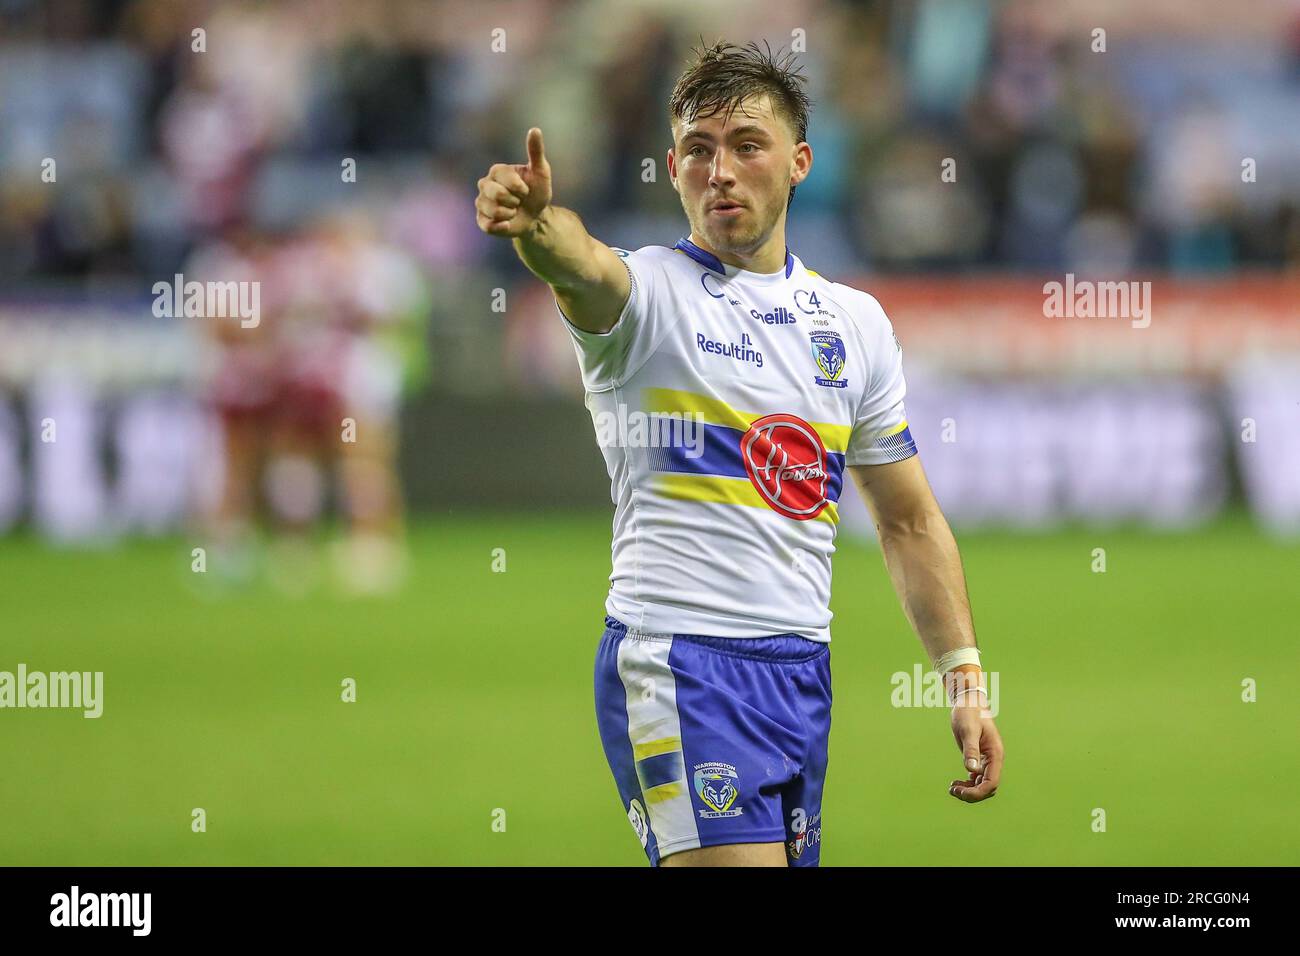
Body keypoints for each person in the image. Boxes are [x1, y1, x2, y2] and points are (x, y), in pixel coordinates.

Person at [474, 40, 1003, 867]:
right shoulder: (648, 297)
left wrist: (964, 677)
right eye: (698, 150)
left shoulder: (853, 323)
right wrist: (538, 223)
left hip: (800, 673)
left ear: (798, 163)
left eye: (746, 146)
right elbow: (578, 264)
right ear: (673, 168)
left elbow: (906, 521)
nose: (720, 170)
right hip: (681, 665)